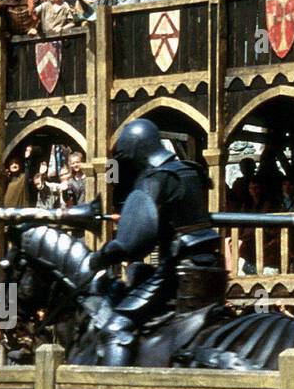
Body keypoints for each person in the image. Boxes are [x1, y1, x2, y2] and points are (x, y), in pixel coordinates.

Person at [87, 118, 223, 365]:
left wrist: (99, 257)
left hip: (178, 271)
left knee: (115, 329)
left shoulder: (156, 179)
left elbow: (131, 245)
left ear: (136, 151)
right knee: (138, 274)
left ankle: (112, 388)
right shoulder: (189, 171)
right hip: (212, 266)